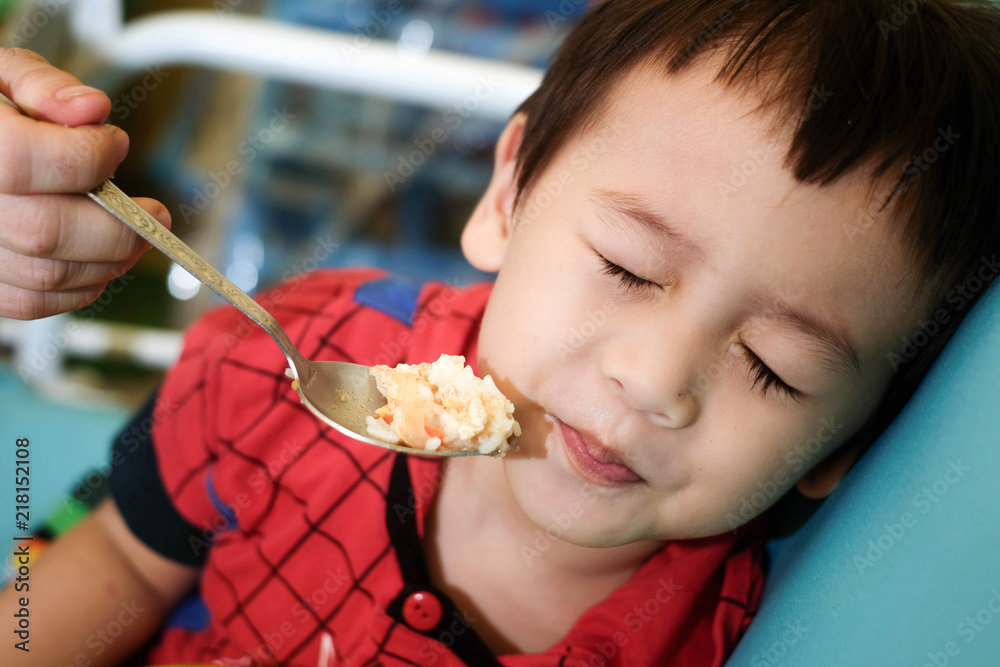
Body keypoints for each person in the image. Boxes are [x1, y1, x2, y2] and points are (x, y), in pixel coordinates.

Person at [3, 0, 1000, 665]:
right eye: (626, 266)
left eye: (775, 369)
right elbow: (127, 563)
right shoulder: (284, 358)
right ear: (509, 195)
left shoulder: (705, 636)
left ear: (849, 444)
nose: (654, 379)